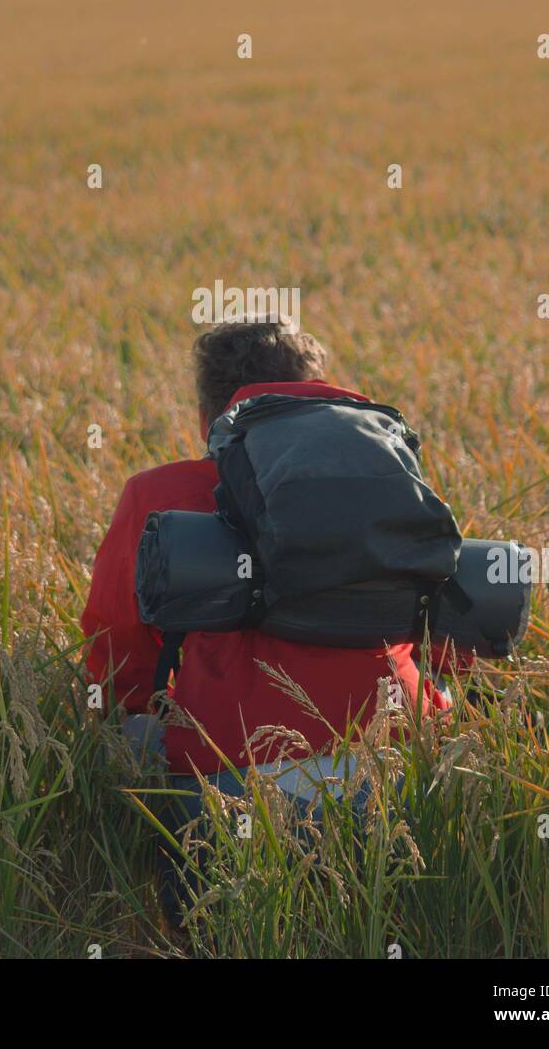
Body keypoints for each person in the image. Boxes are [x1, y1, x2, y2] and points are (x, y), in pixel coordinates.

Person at [81, 320, 469, 790]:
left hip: (229, 781)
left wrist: (140, 714)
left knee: (122, 734)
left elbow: (119, 658)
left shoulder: (157, 494)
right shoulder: (392, 476)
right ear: (321, 397)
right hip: (400, 769)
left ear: (207, 418)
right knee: (444, 688)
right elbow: (450, 638)